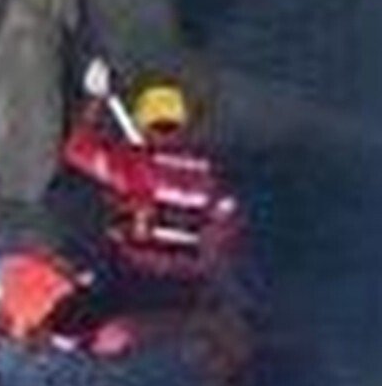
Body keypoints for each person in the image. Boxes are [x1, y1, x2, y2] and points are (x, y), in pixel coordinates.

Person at [59, 73, 245, 304]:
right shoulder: (214, 177)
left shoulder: (135, 168)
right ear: (184, 126)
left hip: (131, 281)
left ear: (141, 125)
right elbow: (227, 229)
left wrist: (95, 100)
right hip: (190, 290)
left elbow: (76, 149)